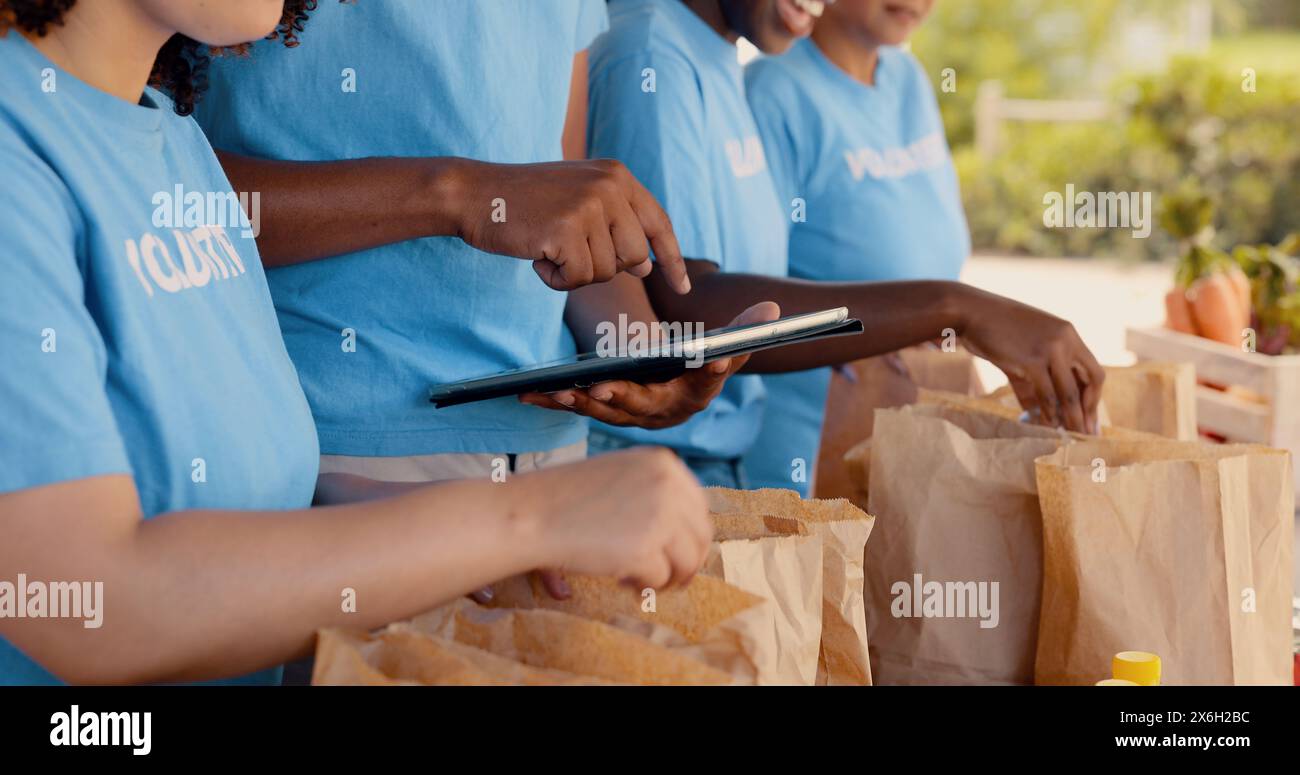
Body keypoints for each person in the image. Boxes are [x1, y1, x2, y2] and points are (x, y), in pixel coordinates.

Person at [0, 0, 711, 686]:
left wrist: (454, 542)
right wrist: (526, 519)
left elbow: (227, 485)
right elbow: (84, 605)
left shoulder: (170, 139)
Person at [192, 0, 773, 499]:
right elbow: (161, 197)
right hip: (329, 448)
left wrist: (635, 352)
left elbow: (565, 198)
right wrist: (459, 195)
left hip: (550, 447)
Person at [560, 0, 1104, 490]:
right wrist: (956, 308)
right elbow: (686, 308)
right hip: (657, 462)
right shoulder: (650, 53)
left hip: (710, 455)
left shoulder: (711, 50)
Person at [740, 0, 968, 493]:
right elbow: (741, 297)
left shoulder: (907, 77)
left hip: (902, 426)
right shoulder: (772, 90)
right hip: (802, 459)